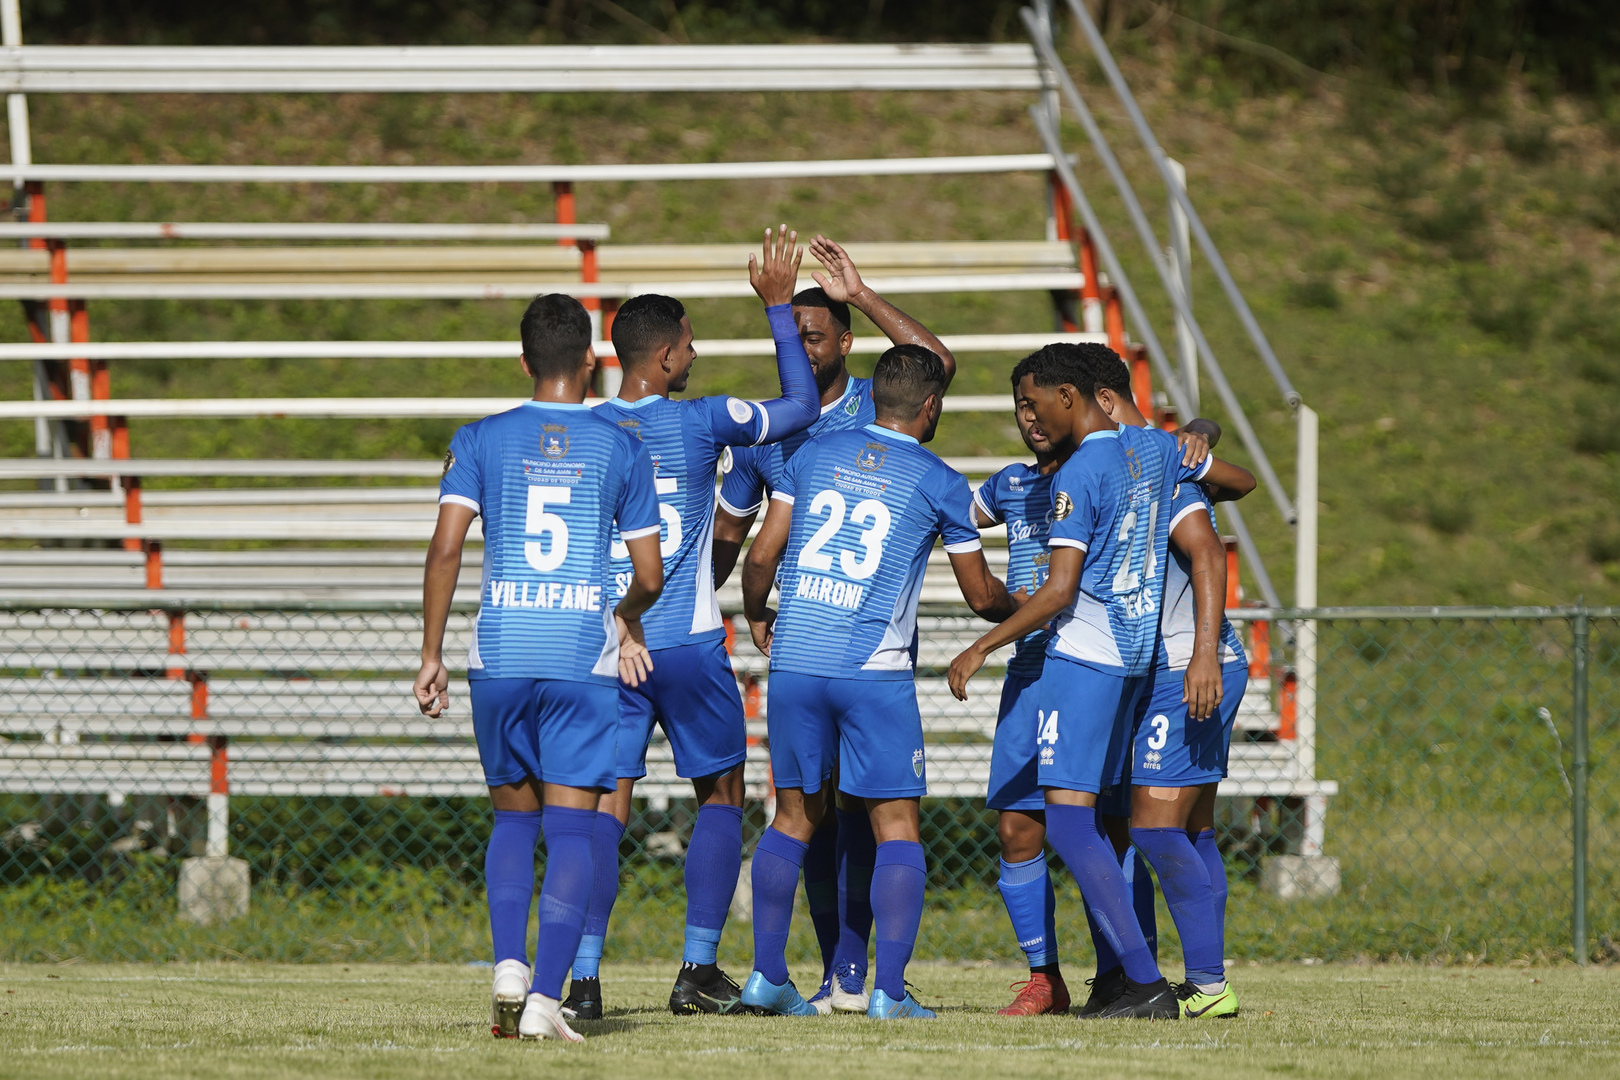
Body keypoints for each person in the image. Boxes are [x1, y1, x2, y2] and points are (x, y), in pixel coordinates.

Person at [947, 342, 1255, 1020]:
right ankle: (1163, 982)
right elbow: (1237, 478)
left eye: (1035, 404)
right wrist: (1197, 433)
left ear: (1084, 399)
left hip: (1109, 659)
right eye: (1019, 407)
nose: (1028, 418)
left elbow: (1070, 587)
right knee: (1152, 827)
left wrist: (982, 644)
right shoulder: (1143, 456)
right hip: (1127, 662)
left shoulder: (1102, 468)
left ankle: (1152, 981)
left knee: (1123, 827)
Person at [568, 225, 821, 1019]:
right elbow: (802, 406)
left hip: (607, 646)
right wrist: (778, 307)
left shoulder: (582, 429)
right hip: (686, 641)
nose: (695, 353)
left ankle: (583, 979)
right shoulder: (701, 420)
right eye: (688, 343)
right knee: (722, 793)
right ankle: (698, 969)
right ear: (666, 355)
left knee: (602, 807)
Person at [712, 235, 958, 1013]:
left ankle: (848, 973)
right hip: (829, 645)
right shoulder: (769, 428)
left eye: (817, 334)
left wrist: (862, 293)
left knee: (847, 814)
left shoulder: (875, 407)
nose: (803, 346)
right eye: (792, 335)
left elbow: (933, 366)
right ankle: (838, 974)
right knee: (818, 816)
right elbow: (733, 537)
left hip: (847, 641)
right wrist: (710, 608)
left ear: (847, 343)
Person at [737, 344, 1017, 1020]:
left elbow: (763, 553)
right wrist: (1033, 608)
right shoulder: (941, 481)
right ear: (931, 406)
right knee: (896, 828)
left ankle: (767, 977)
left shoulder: (813, 454)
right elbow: (982, 596)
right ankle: (887, 992)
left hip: (796, 659)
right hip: (872, 670)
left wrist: (756, 612)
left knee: (793, 819)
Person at [414, 293, 665, 1043]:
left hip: (499, 653)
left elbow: (446, 549)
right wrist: (622, 617)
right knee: (573, 829)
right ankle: (547, 1000)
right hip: (578, 657)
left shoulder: (479, 439)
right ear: (592, 358)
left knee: (513, 821)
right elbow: (649, 575)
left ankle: (506, 967)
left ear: (524, 360)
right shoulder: (622, 444)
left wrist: (430, 654)